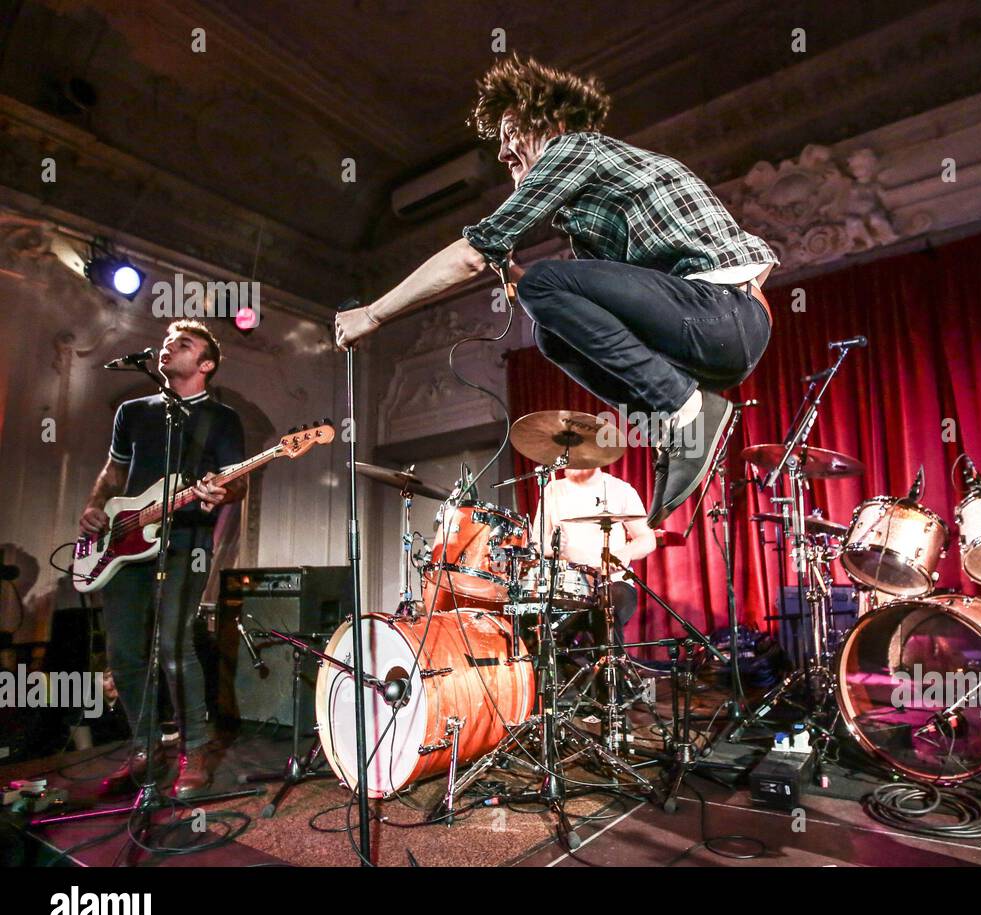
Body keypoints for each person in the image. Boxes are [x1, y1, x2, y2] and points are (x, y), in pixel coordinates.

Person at [335, 53, 778, 528]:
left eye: (510, 134)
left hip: (724, 315)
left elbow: (471, 253)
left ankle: (686, 411)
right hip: (709, 333)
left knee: (545, 284)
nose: (503, 154)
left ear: (553, 121)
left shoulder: (576, 147)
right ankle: (678, 429)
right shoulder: (590, 210)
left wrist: (373, 315)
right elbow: (595, 310)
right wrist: (520, 279)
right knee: (551, 332)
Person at [78, 320, 245, 798]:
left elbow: (239, 482)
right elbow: (114, 470)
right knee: (124, 652)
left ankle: (194, 748)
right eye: (169, 342)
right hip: (123, 540)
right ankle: (145, 745)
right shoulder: (133, 410)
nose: (169, 348)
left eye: (184, 344)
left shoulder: (221, 418)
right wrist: (95, 507)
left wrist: (223, 491)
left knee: (174, 645)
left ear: (206, 364)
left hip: (185, 540)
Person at [531, 466, 657, 645]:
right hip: (567, 587)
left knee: (607, 608)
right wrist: (552, 546)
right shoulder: (552, 489)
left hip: (613, 582)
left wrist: (625, 553)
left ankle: (612, 670)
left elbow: (647, 539)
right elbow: (536, 543)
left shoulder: (619, 489)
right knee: (535, 624)